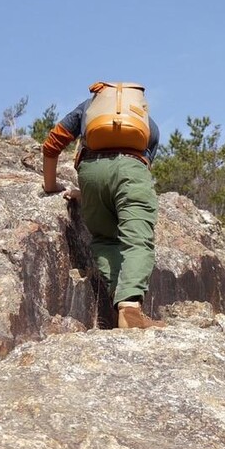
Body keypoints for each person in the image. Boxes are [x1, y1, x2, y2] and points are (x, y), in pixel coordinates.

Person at [41, 87, 166, 329]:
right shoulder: (148, 123)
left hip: (91, 172)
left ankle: (121, 302)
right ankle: (130, 310)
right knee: (137, 239)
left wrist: (52, 186)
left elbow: (51, 144)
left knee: (105, 241)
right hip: (132, 170)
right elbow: (137, 170)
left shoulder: (86, 109)